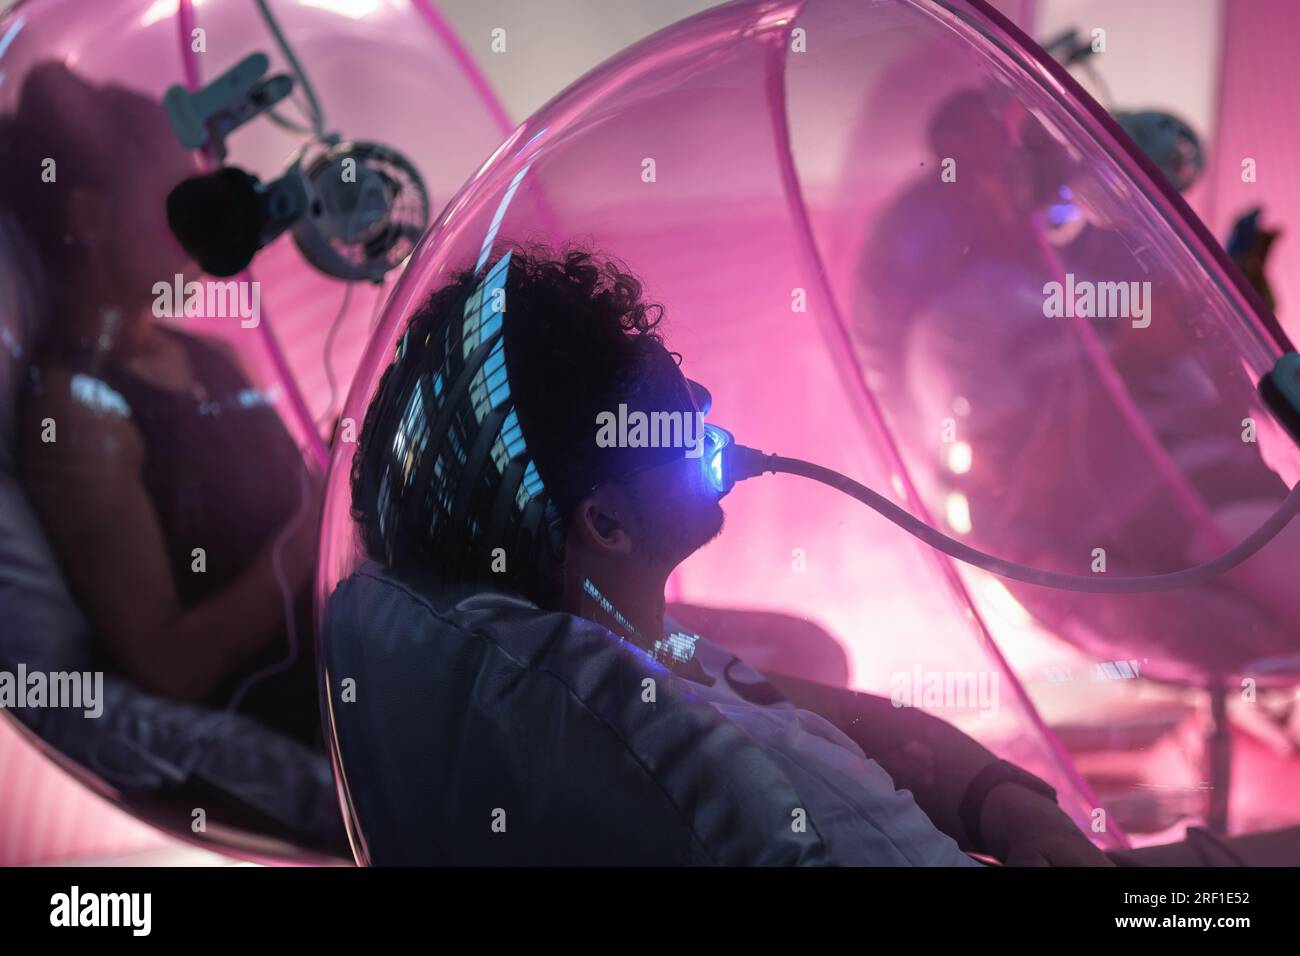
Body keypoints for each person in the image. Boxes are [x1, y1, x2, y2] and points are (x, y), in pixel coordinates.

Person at [349, 244, 1111, 865]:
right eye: (674, 413)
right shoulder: (718, 769)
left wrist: (1004, 805)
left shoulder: (622, 650)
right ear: (607, 520)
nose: (705, 403)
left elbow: (830, 714)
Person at [0, 63, 321, 744]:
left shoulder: (210, 355)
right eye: (178, 200)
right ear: (90, 218)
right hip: (313, 699)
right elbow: (170, 665)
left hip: (361, 622)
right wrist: (306, 543)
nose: (206, 225)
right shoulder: (79, 415)